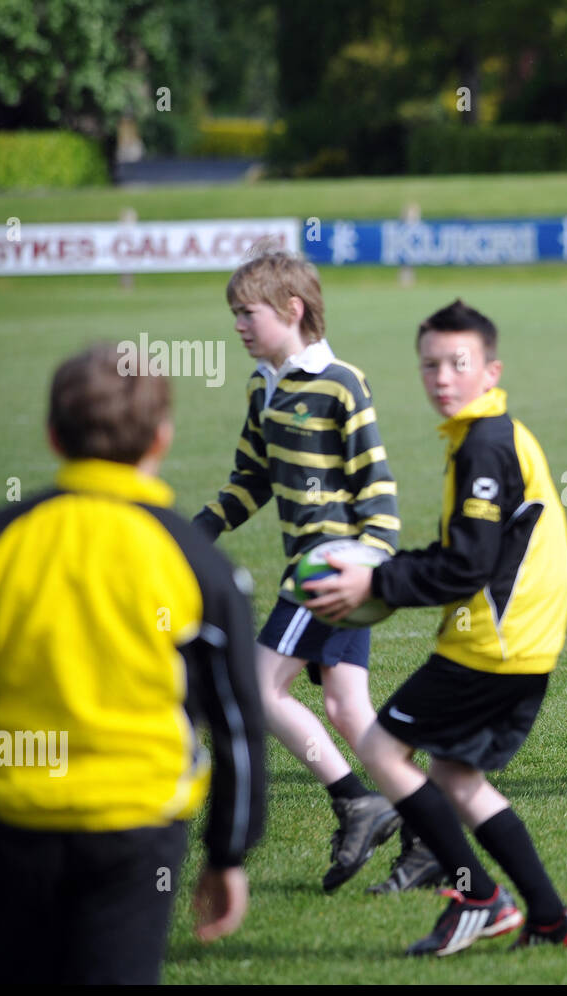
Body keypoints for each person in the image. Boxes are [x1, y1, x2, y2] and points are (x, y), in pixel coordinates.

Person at [0, 345, 266, 985]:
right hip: (138, 828)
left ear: (52, 436)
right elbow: (238, 722)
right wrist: (228, 854)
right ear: (163, 436)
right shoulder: (197, 561)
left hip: (16, 823)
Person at [303, 300, 567, 956]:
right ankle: (551, 918)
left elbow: (468, 563)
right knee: (459, 780)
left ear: (490, 370)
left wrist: (374, 583)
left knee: (381, 750)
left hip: (492, 645)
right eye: (429, 364)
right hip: (522, 643)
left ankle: (479, 896)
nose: (441, 376)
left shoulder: (486, 444)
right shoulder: (485, 433)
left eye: (456, 363)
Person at [193, 247, 401, 892]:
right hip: (314, 569)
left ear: (293, 309)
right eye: (233, 314)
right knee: (345, 707)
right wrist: (195, 531)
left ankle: (355, 801)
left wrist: (376, 565)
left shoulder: (342, 382)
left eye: (246, 313)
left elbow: (376, 480)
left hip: (330, 571)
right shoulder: (264, 385)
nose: (237, 326)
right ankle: (421, 826)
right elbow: (251, 478)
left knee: (258, 689)